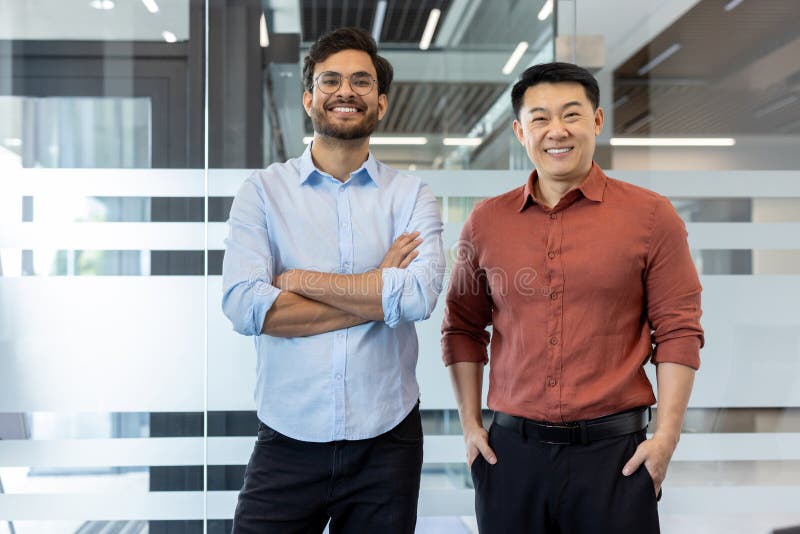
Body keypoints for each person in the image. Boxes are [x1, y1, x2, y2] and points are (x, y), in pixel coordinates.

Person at [441, 62, 704, 533]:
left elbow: (679, 331)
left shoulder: (651, 217)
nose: (556, 131)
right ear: (521, 131)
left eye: (572, 115)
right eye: (540, 118)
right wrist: (470, 426)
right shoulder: (486, 222)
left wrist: (665, 439)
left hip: (615, 460)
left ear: (597, 121)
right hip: (510, 456)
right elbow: (462, 326)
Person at [222, 26, 445, 534]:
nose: (346, 91)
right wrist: (377, 284)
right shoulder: (262, 192)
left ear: (381, 104)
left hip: (387, 442)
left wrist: (298, 280)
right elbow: (243, 306)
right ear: (309, 99)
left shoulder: (411, 195)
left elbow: (418, 295)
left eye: (362, 81)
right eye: (331, 80)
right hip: (287, 437)